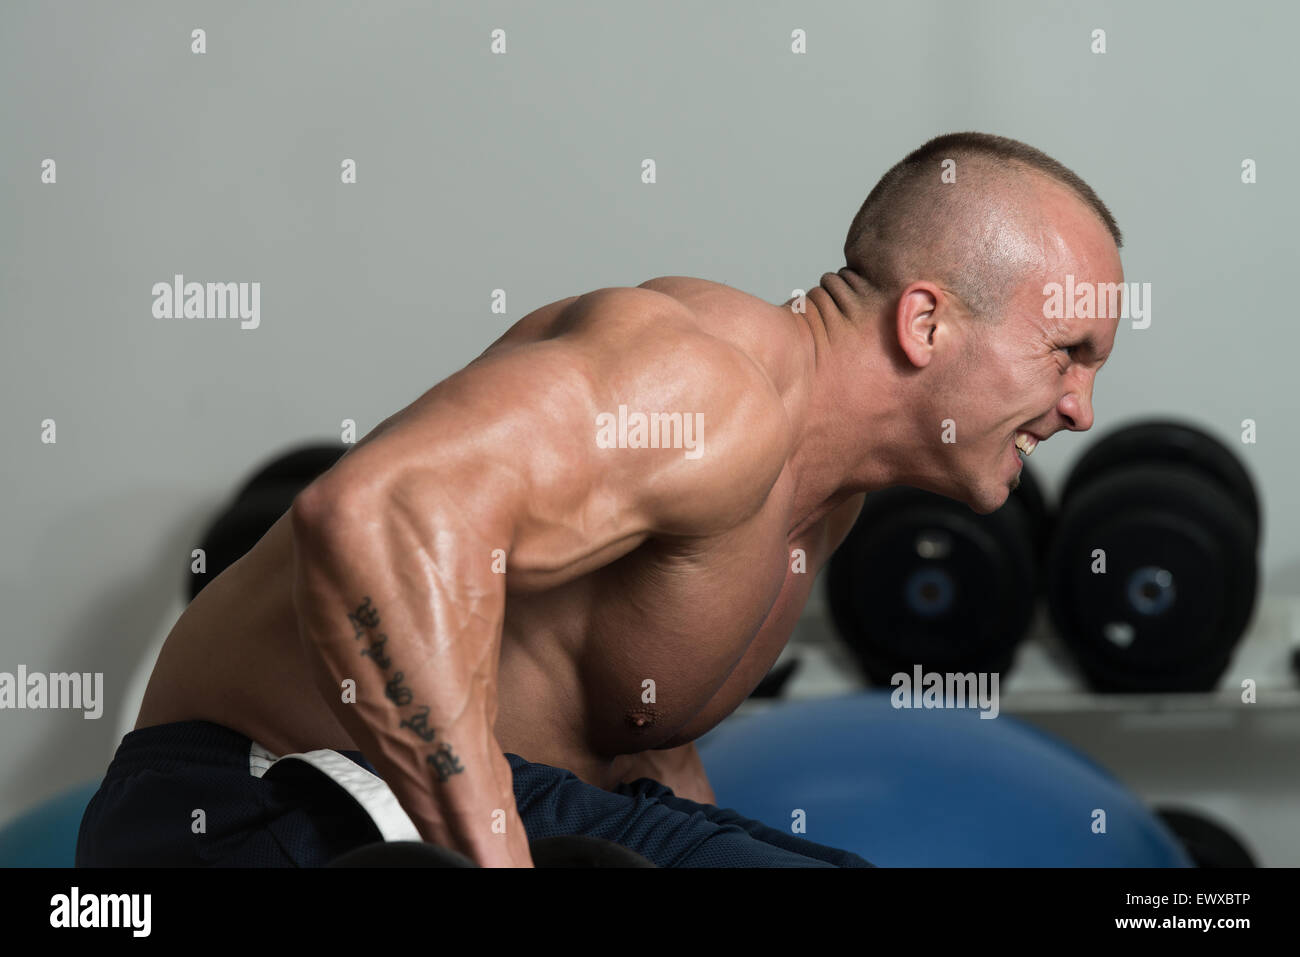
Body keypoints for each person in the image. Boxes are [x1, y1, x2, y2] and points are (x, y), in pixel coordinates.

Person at [77, 131, 1123, 867]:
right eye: (1066, 353)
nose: (1080, 409)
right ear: (927, 323)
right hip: (251, 800)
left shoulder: (824, 495)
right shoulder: (707, 382)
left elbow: (637, 735)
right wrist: (495, 862)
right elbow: (379, 517)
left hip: (476, 798)